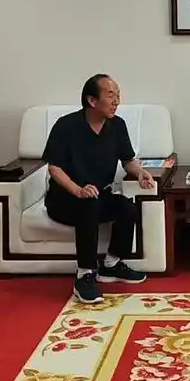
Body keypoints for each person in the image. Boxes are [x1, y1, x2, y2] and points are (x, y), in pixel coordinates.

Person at [41, 74, 156, 304]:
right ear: (92, 101)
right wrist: (77, 190)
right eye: (111, 95)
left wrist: (139, 172)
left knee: (127, 209)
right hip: (64, 199)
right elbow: (54, 168)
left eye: (118, 95)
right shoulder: (66, 126)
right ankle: (84, 275)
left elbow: (127, 160)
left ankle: (111, 265)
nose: (116, 101)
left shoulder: (117, 125)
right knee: (88, 206)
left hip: (99, 196)